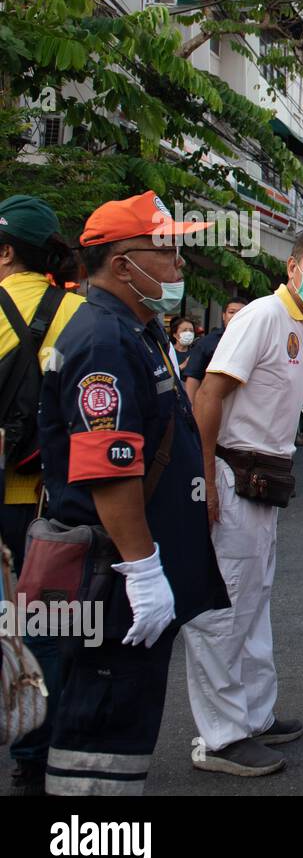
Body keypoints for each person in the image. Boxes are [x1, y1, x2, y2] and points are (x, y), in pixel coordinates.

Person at [39, 191, 228, 794]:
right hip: (112, 570)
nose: (178, 266)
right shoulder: (104, 341)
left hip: (127, 564)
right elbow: (111, 470)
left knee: (125, 712)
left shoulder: (136, 332)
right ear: (123, 264)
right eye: (166, 251)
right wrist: (143, 571)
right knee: (101, 726)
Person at [183, 228, 303, 777]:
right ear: (294, 267)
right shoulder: (261, 316)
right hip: (233, 476)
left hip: (266, 483)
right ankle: (221, 737)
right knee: (224, 610)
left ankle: (253, 715)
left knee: (253, 604)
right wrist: (205, 478)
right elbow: (210, 394)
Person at [0, 195, 85, 794]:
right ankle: (36, 746)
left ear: (6, 251)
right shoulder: (84, 313)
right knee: (46, 624)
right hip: (51, 500)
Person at [183, 296, 248, 401]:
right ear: (223, 316)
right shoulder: (207, 342)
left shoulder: (256, 340)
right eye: (231, 312)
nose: (236, 316)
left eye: (241, 313)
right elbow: (193, 377)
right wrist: (190, 409)